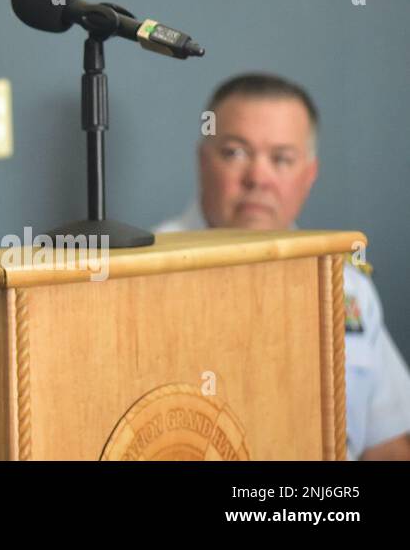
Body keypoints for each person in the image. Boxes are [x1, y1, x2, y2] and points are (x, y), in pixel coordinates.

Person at [153, 72, 410, 460]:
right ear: (203, 161)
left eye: (282, 159)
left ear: (309, 175)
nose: (258, 178)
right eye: (235, 152)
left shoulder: (346, 285)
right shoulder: (139, 278)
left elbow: (387, 443)